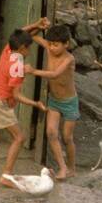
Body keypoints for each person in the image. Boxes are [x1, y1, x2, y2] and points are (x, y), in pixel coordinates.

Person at [0, 22, 48, 186]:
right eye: (29, 47)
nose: (30, 50)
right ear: (23, 49)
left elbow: (18, 33)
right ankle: (6, 175)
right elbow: (16, 96)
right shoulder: (17, 67)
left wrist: (37, 25)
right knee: (19, 138)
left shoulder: (8, 51)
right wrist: (36, 103)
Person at [25, 21, 79, 179]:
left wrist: (33, 71)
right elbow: (30, 35)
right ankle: (62, 168)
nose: (52, 47)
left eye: (56, 45)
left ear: (66, 44)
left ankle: (72, 167)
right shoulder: (48, 47)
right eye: (50, 44)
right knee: (51, 132)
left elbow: (55, 74)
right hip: (54, 100)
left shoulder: (69, 59)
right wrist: (39, 25)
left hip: (69, 102)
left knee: (67, 137)